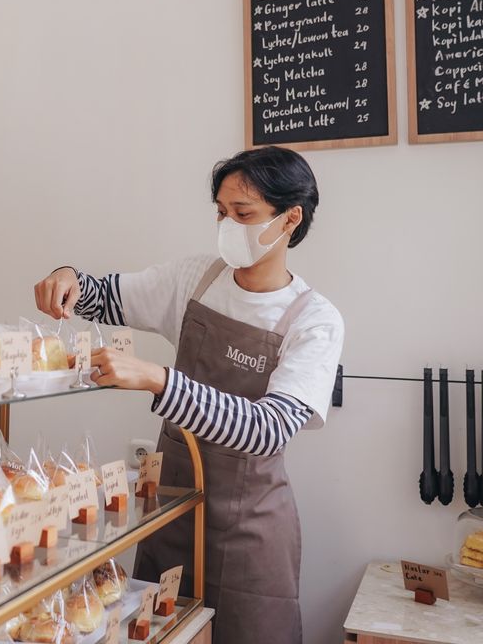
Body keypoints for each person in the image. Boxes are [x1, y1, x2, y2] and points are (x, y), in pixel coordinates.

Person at [33, 146, 343, 644]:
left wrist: (160, 379)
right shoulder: (197, 278)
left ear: (291, 218)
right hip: (171, 510)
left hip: (251, 534)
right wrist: (68, 277)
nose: (229, 226)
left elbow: (267, 430)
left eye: (244, 214)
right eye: (222, 213)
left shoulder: (314, 319)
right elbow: (106, 295)